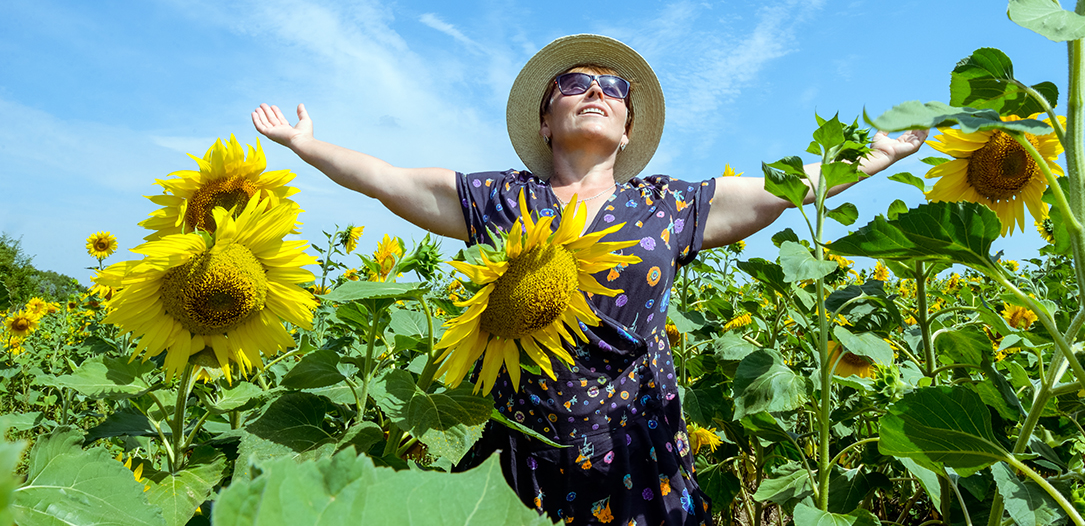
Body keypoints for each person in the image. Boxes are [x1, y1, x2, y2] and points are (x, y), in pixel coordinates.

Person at [252, 34, 927, 525]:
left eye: (613, 89)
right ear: (546, 121)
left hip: (640, 448)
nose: (598, 91)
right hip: (524, 450)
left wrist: (876, 156)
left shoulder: (668, 204)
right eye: (574, 85)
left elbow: (784, 188)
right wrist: (306, 146)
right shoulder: (501, 199)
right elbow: (392, 183)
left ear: (629, 126)